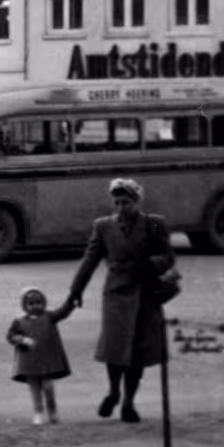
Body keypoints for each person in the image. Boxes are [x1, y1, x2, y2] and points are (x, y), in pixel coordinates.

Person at [67, 178, 176, 423]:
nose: (120, 207)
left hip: (144, 294)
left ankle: (129, 402)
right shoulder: (103, 226)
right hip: (115, 295)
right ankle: (114, 391)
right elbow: (89, 261)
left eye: (125, 202)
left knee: (137, 353)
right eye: (116, 202)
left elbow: (168, 256)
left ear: (137, 202)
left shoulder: (154, 224)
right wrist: (75, 291)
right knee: (114, 348)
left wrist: (150, 264)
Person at [6, 286, 73, 425]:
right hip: (28, 363)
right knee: (35, 389)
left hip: (46, 362)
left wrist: (72, 301)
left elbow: (63, 312)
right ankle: (38, 412)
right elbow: (10, 335)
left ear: (44, 303)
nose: (35, 306)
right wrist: (21, 339)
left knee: (48, 387)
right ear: (24, 305)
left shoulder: (49, 316)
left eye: (38, 302)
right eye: (30, 303)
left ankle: (52, 411)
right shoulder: (19, 321)